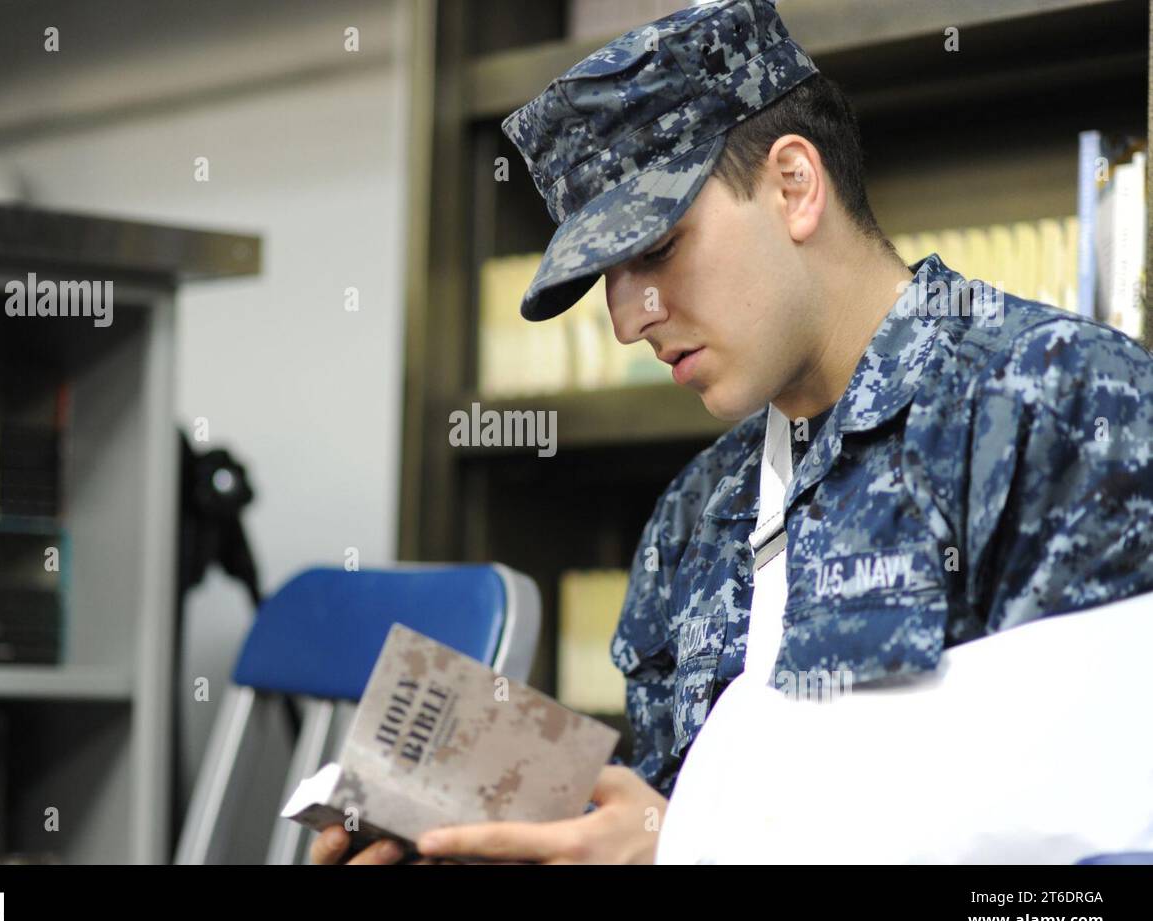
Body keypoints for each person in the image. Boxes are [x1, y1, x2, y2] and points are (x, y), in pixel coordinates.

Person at [313, 0, 1153, 865]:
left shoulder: (1063, 410)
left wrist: (695, 849)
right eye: (606, 278)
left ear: (794, 185)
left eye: (660, 247)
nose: (628, 321)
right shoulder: (692, 521)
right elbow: (669, 824)